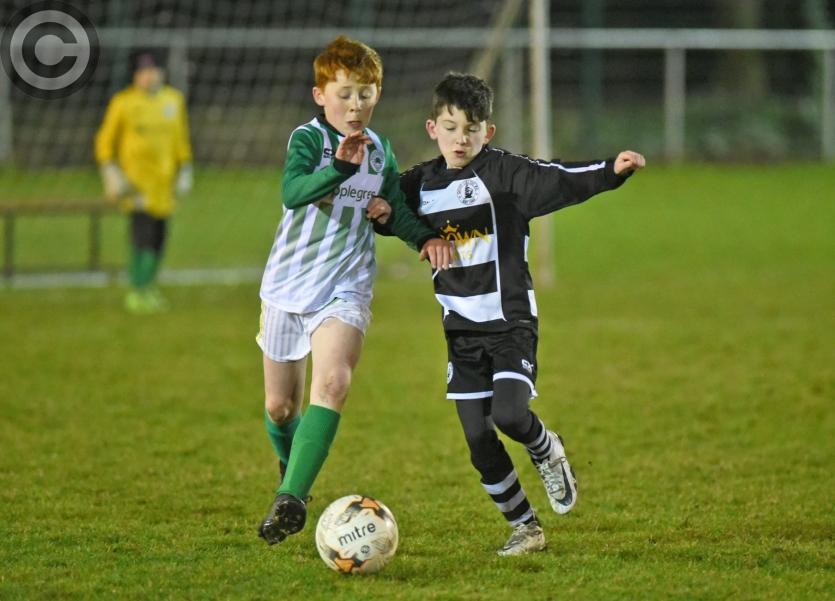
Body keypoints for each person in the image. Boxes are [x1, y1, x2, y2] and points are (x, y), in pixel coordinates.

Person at [378, 72, 645, 556]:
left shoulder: (506, 176)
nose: (463, 139)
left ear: (489, 132)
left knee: (508, 414)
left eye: (473, 129)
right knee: (478, 440)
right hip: (460, 332)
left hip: (510, 323)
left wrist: (611, 170)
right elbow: (390, 211)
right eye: (452, 127)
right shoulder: (419, 183)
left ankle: (546, 448)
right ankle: (525, 527)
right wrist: (373, 208)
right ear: (432, 128)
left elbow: (559, 178)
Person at [256, 36, 453, 546]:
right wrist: (339, 167)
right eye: (345, 94)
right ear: (321, 95)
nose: (356, 105)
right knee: (280, 408)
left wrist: (420, 235)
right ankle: (290, 467)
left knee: (335, 383)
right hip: (286, 286)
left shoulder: (380, 150)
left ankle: (292, 499)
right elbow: (292, 191)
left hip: (346, 286)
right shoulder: (308, 139)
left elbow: (391, 210)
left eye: (366, 94)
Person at [94, 49, 193, 313]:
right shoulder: (123, 103)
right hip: (135, 186)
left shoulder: (173, 100)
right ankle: (137, 291)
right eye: (143, 72)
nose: (148, 77)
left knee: (159, 239)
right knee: (144, 239)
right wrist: (111, 172)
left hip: (164, 187)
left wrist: (185, 168)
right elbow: (105, 142)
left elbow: (180, 139)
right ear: (136, 76)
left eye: (152, 71)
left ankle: (148, 287)